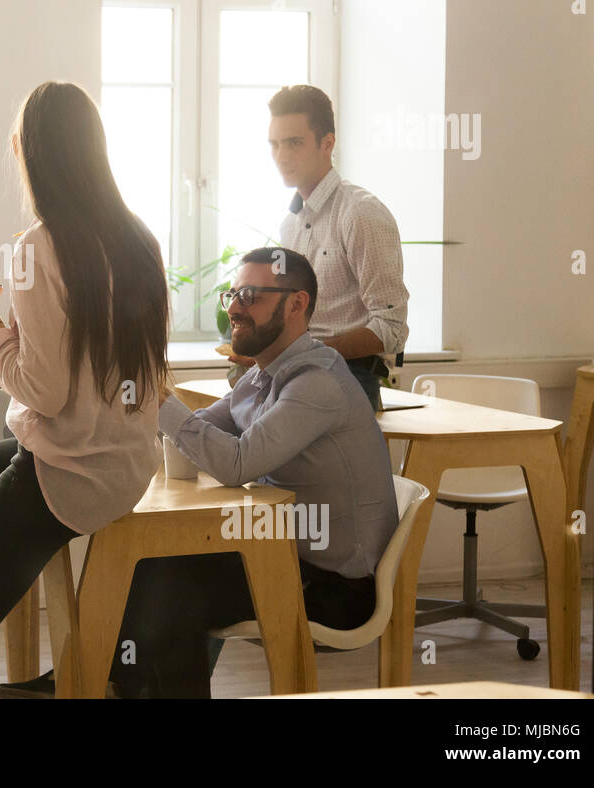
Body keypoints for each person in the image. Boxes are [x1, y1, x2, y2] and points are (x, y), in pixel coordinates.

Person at [0, 81, 170, 699]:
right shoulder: (141, 241)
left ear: (30, 153)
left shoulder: (39, 248)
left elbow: (41, 392)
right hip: (124, 462)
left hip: (66, 469)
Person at [111, 247, 398, 698]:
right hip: (279, 553)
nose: (235, 308)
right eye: (232, 295)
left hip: (335, 587)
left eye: (250, 295)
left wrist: (156, 398)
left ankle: (108, 683)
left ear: (297, 303)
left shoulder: (315, 382)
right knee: (153, 564)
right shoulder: (262, 375)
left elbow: (236, 463)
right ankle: (113, 682)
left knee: (171, 593)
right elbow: (202, 431)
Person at [232, 85, 409, 410]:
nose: (281, 156)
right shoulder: (291, 223)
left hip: (347, 376)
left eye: (294, 143)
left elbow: (392, 329)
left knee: (234, 436)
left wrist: (310, 351)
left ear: (327, 143)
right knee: (222, 412)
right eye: (275, 144)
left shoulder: (361, 213)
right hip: (297, 372)